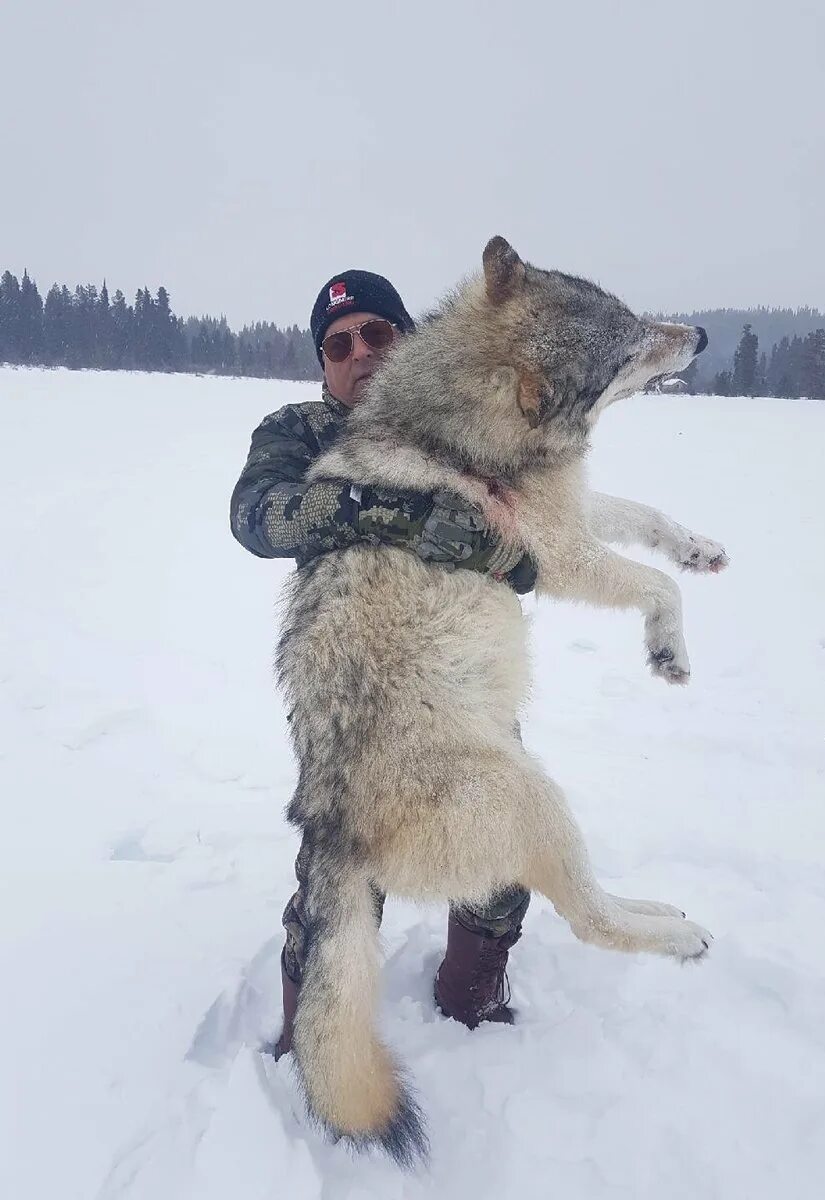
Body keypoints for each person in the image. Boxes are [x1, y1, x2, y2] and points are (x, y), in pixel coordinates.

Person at [230, 270, 537, 1057]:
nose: (359, 353)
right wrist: (399, 512)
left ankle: (472, 994)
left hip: (462, 682)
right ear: (323, 365)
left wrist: (494, 545)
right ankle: (315, 1037)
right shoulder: (298, 432)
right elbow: (258, 516)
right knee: (344, 870)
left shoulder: (470, 429)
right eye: (338, 345)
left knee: (499, 843)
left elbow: (538, 555)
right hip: (352, 690)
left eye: (377, 333)